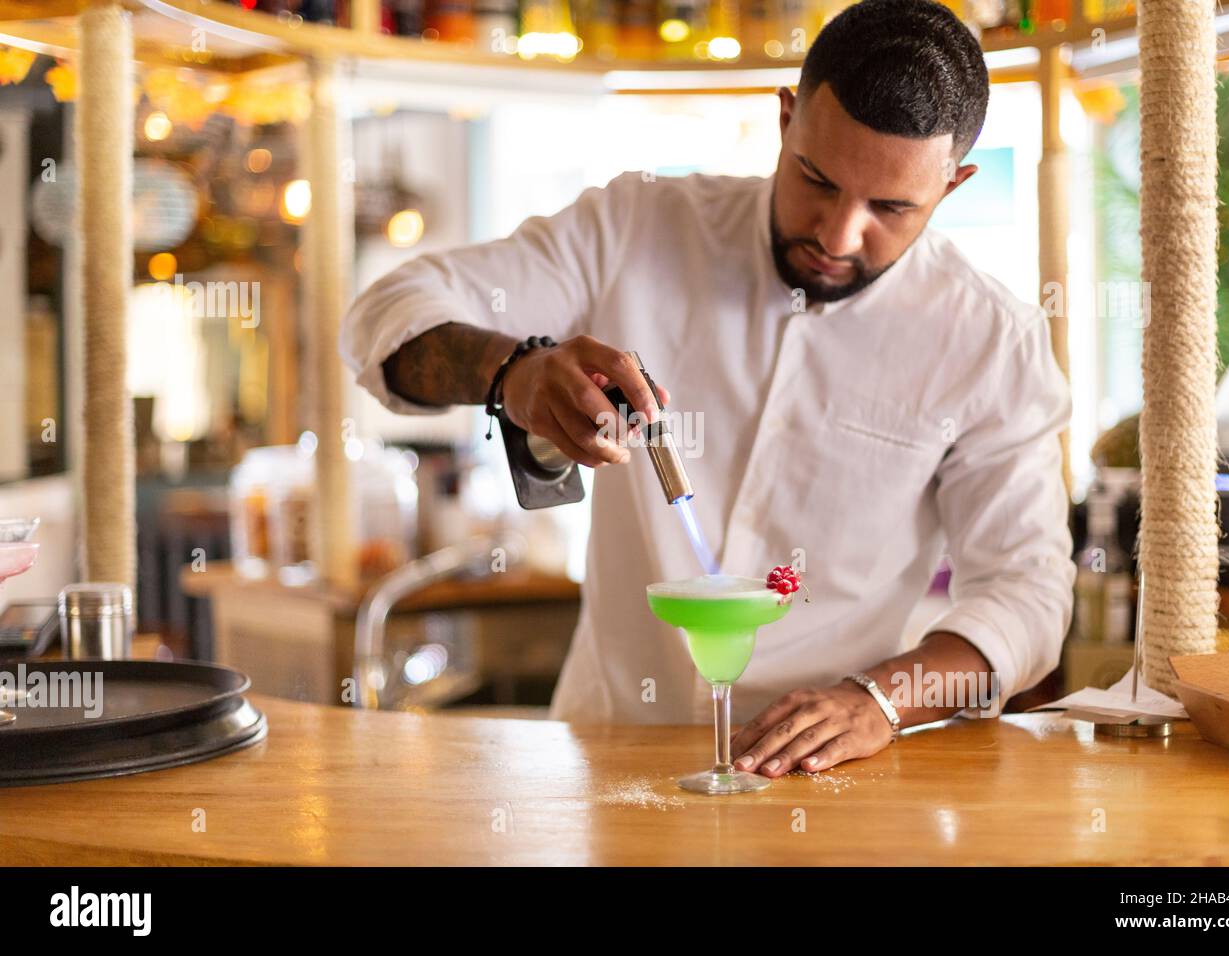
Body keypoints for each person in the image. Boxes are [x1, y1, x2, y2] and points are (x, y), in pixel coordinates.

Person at [341, 0, 1074, 777]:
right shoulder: (636, 227)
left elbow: (1028, 596)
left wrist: (880, 701)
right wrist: (512, 371)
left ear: (953, 184)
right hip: (605, 757)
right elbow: (383, 317)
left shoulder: (990, 342)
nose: (836, 234)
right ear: (786, 119)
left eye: (891, 207)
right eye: (817, 180)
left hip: (826, 784)